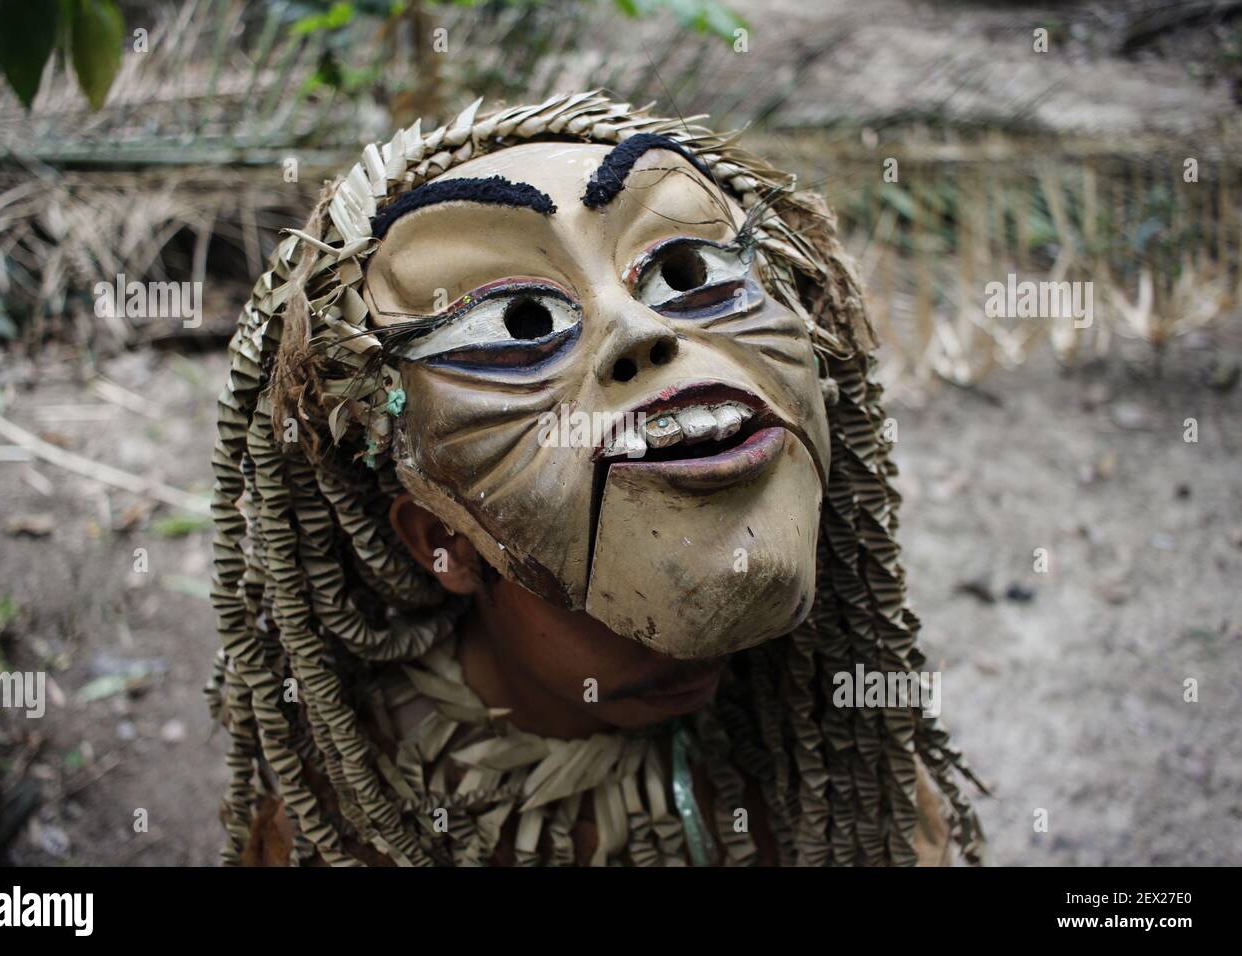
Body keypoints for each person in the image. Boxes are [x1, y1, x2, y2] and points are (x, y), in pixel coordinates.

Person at [207, 91, 985, 866]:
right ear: (445, 542)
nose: (642, 331)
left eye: (686, 272)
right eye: (519, 323)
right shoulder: (358, 825)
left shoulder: (837, 769)